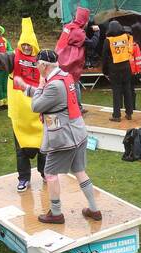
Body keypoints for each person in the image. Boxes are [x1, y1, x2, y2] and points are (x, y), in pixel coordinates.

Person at [17, 50, 104, 224]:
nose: (36, 67)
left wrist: (39, 85)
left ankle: (56, 213)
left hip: (63, 137)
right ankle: (94, 210)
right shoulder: (64, 77)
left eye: (37, 64)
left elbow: (36, 105)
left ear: (44, 65)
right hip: (77, 132)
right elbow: (49, 98)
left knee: (49, 173)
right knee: (79, 171)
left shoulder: (51, 85)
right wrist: (26, 88)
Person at [0, 21, 46, 191]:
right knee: (20, 148)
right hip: (20, 113)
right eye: (24, 45)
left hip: (38, 112)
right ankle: (23, 178)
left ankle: (45, 173)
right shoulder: (13, 57)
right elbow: (2, 60)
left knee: (43, 147)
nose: (27, 48)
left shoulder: (42, 60)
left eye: (30, 45)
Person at [102, 20, 136, 121]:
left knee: (116, 92)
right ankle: (129, 113)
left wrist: (105, 71)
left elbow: (104, 56)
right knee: (127, 89)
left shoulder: (108, 40)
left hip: (114, 68)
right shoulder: (126, 37)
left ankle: (116, 115)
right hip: (126, 66)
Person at [55, 6, 90, 83]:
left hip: (59, 57)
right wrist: (97, 33)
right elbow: (92, 43)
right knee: (72, 85)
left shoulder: (68, 26)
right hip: (69, 63)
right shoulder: (79, 32)